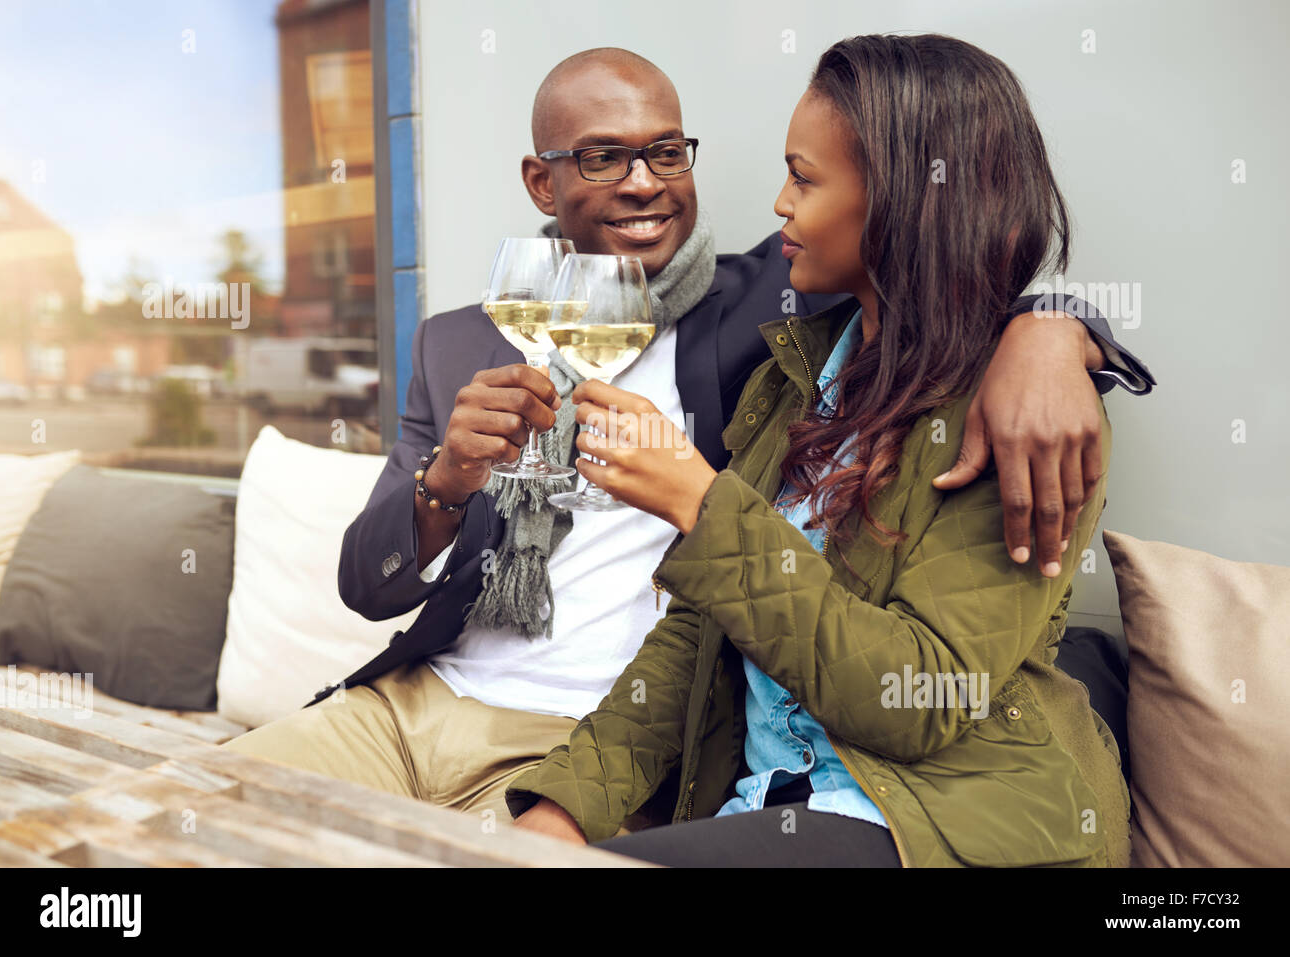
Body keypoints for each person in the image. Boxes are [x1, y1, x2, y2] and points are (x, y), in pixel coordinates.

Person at [223, 46, 1152, 831]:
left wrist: (1052, 328)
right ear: (540, 181)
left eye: (666, 151)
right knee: (187, 812)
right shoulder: (460, 341)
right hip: (414, 704)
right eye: (603, 157)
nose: (643, 182)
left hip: (586, 734)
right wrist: (448, 480)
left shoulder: (769, 303)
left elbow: (943, 259)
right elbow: (366, 584)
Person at [506, 33, 1134, 867]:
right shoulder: (800, 377)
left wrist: (702, 504)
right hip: (775, 804)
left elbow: (916, 696)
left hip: (940, 824)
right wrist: (563, 805)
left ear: (906, 199)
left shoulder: (1019, 417)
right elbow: (695, 640)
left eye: (804, 178)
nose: (778, 202)